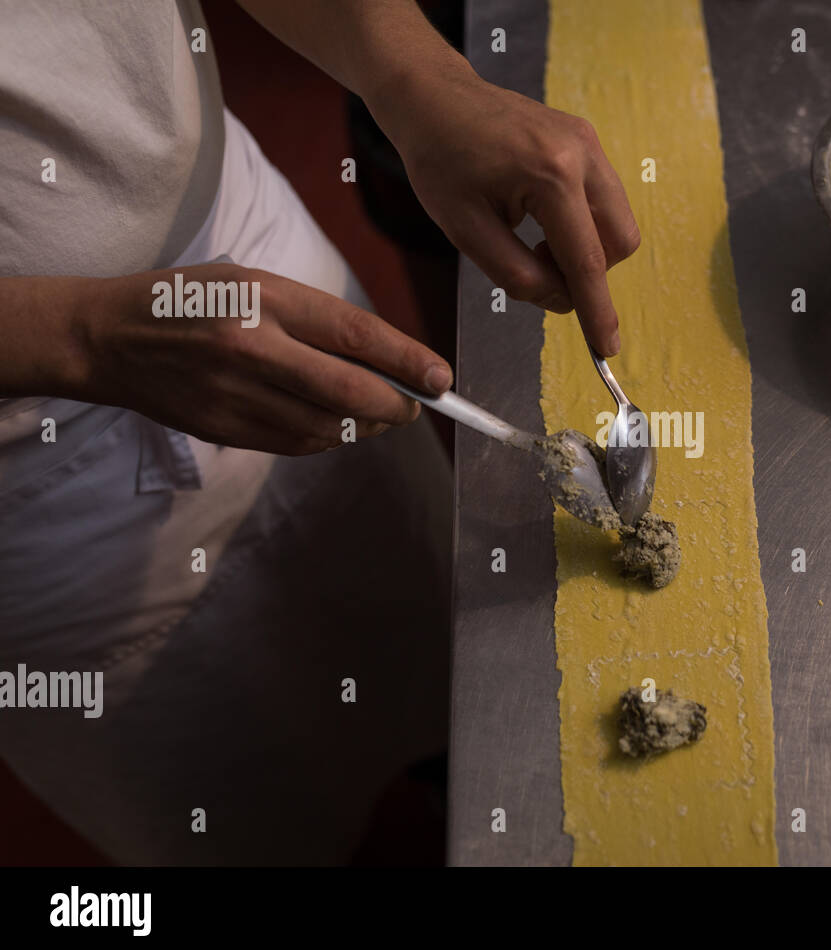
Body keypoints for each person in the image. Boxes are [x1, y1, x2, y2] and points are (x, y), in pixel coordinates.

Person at [0, 0, 639, 864]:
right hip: (43, 483)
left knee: (447, 668)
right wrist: (79, 337)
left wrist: (414, 72)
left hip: (248, 248)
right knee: (239, 816)